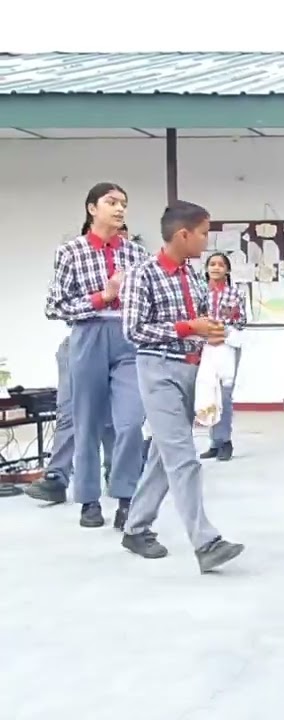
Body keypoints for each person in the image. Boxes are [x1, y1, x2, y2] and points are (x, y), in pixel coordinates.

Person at [117, 201, 245, 570]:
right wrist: (189, 328)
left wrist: (213, 330)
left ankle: (136, 526)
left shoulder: (192, 276)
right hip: (158, 370)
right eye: (204, 233)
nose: (207, 241)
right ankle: (206, 543)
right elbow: (133, 330)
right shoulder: (143, 274)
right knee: (183, 457)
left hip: (193, 370)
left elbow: (202, 318)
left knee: (163, 453)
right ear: (182, 234)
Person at [44, 183, 148, 531]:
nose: (120, 209)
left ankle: (125, 496)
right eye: (112, 202)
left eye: (124, 203)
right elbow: (55, 305)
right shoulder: (70, 251)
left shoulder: (135, 254)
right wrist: (103, 296)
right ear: (92, 208)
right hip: (88, 333)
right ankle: (88, 499)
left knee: (131, 422)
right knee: (86, 421)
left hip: (127, 338)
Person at [24, 334, 117, 504]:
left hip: (117, 343)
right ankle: (56, 477)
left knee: (112, 411)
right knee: (68, 410)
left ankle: (116, 473)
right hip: (78, 341)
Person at [200, 252, 246, 462]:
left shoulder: (235, 293)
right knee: (208, 393)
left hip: (227, 345)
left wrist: (222, 332)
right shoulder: (199, 291)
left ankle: (225, 441)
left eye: (221, 265)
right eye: (212, 264)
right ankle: (214, 442)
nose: (216, 268)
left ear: (227, 270)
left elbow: (241, 320)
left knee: (224, 395)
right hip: (204, 346)